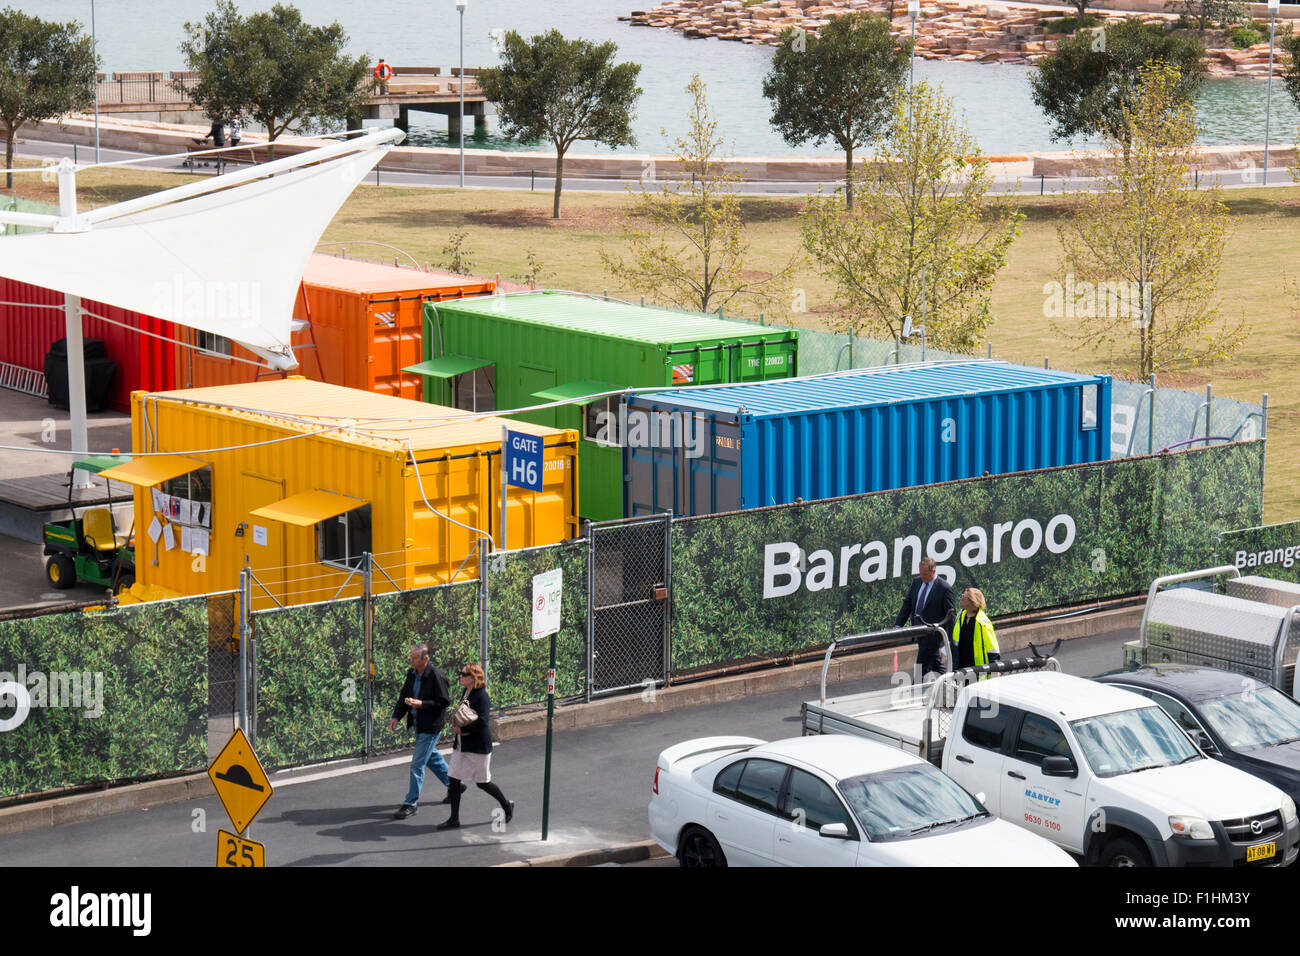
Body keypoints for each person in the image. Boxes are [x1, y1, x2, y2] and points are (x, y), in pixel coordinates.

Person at [438, 663, 514, 831]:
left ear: (473, 678)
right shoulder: (466, 692)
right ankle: (454, 819)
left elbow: (483, 721)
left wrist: (462, 728)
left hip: (478, 746)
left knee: (483, 783)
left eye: (463, 674)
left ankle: (506, 804)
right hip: (462, 744)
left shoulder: (482, 696)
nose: (460, 676)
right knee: (454, 779)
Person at [390, 643, 453, 820]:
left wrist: (421, 704)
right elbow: (404, 695)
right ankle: (454, 785)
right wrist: (396, 716)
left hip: (431, 726)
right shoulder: (411, 674)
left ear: (426, 659)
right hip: (418, 723)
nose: (411, 660)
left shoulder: (437, 676)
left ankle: (411, 803)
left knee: (417, 764)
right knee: (431, 756)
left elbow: (444, 702)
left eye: (415, 657)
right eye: (411, 657)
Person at [894, 556, 956, 678]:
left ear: (934, 571)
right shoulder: (917, 582)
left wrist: (949, 640)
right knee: (935, 663)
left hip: (932, 634)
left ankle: (914, 690)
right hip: (918, 632)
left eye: (925, 575)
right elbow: (908, 604)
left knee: (921, 665)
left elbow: (951, 615)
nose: (922, 577)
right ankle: (954, 679)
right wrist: (899, 624)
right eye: (921, 574)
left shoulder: (944, 588)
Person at [953, 587, 1001, 673]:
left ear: (972, 601)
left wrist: (995, 670)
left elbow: (993, 650)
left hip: (978, 671)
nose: (962, 598)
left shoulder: (982, 622)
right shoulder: (961, 616)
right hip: (961, 667)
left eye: (964, 596)